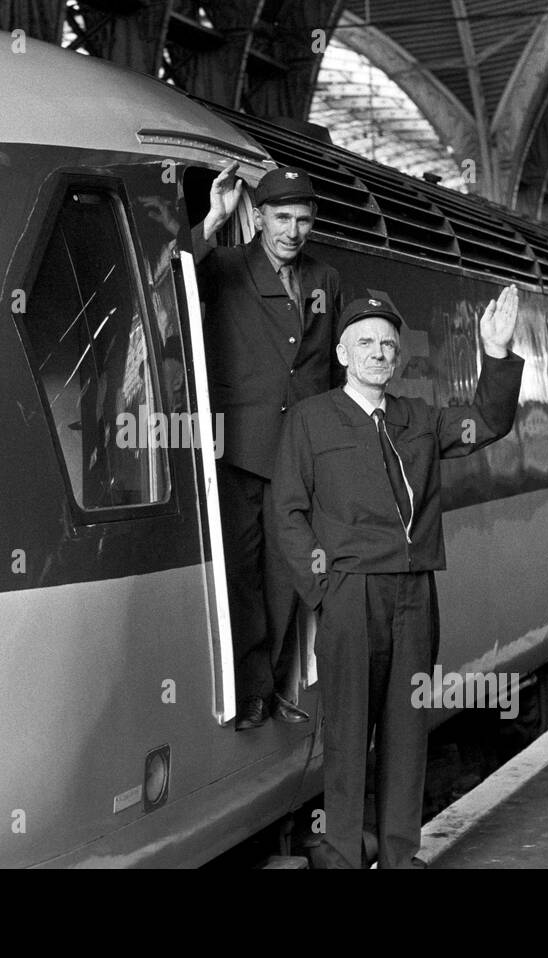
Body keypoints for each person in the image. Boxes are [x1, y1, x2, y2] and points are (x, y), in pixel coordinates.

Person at [271, 289, 523, 868]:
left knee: (408, 729)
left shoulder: (420, 419)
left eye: (388, 344)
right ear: (342, 352)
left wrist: (496, 351)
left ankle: (400, 853)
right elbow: (286, 513)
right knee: (349, 730)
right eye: (366, 342)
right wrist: (323, 591)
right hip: (351, 594)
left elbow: (486, 421)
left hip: (414, 593)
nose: (379, 353)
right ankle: (342, 851)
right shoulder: (311, 421)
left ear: (398, 358)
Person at [194, 163, 343, 730]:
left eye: (303, 220)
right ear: (257, 217)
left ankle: (277, 684)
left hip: (300, 450)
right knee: (242, 571)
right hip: (239, 449)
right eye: (282, 217)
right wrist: (210, 221)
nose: (293, 231)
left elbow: (331, 363)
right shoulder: (227, 267)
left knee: (288, 572)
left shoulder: (325, 280)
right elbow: (167, 276)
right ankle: (253, 690)